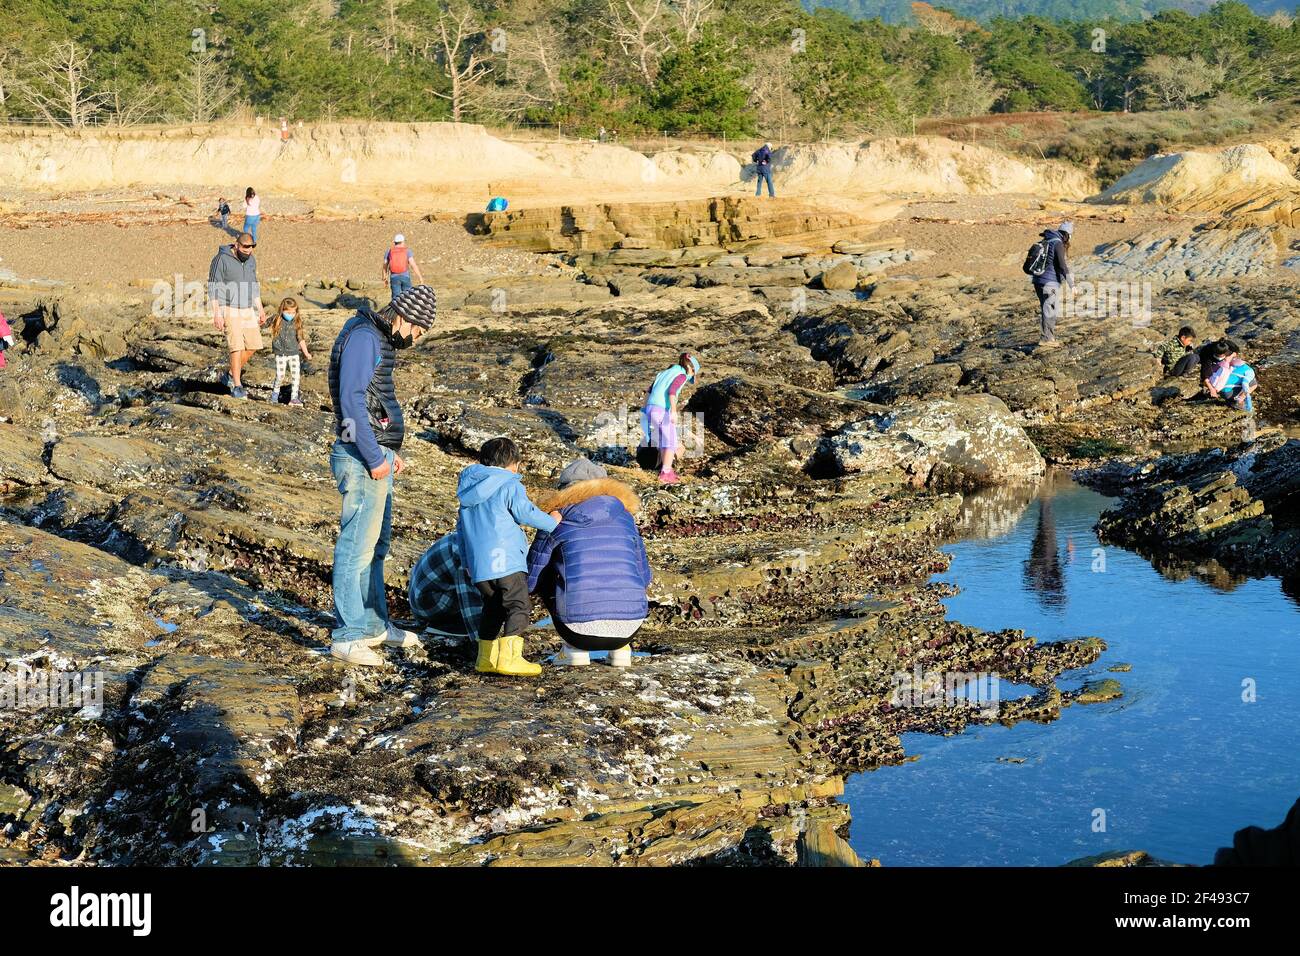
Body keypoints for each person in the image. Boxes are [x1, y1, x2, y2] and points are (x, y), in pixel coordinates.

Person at [327, 284, 438, 666]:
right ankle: (347, 635)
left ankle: (373, 625)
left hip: (374, 454)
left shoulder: (376, 337)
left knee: (376, 547)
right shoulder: (364, 337)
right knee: (356, 546)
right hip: (359, 458)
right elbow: (351, 400)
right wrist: (375, 456)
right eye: (418, 331)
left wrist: (390, 452)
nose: (416, 339)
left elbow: (373, 404)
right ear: (405, 318)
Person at [527, 458, 651, 668]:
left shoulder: (557, 519)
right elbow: (645, 577)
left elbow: (530, 579)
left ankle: (572, 650)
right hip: (631, 627)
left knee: (546, 573)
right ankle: (621, 651)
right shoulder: (626, 518)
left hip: (577, 631)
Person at [455, 437, 561, 678]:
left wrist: (468, 562)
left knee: (493, 608)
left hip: (479, 566)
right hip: (507, 561)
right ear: (514, 464)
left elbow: (461, 532)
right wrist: (551, 522)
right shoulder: (509, 483)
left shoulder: (467, 491)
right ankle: (509, 658)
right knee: (519, 605)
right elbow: (525, 512)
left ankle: (486, 658)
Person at [207, 231, 267, 399]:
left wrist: (260, 309)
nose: (248, 251)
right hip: (228, 306)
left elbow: (254, 285)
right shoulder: (221, 259)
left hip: (247, 307)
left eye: (251, 248)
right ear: (237, 245)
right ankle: (237, 385)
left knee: (254, 345)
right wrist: (217, 313)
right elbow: (213, 286)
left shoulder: (251, 260)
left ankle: (230, 373)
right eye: (245, 248)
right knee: (237, 346)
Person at [408, 533, 483, 639]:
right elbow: (470, 599)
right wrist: (482, 640)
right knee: (479, 595)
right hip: (427, 603)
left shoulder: (473, 537)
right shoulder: (469, 555)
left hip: (424, 593)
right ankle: (447, 626)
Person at [641, 352, 701, 485]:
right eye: (692, 374)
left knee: (664, 440)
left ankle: (665, 469)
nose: (690, 377)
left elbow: (649, 390)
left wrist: (645, 409)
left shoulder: (662, 374)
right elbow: (672, 392)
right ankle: (666, 473)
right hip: (661, 409)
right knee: (671, 441)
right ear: (690, 369)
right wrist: (673, 411)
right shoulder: (681, 375)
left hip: (651, 408)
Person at [1028, 221, 1074, 349]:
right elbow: (1062, 265)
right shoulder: (1058, 243)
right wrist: (1072, 284)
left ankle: (1048, 336)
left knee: (1046, 309)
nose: (1070, 238)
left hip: (1038, 280)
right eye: (1070, 235)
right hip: (1050, 282)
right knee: (1051, 310)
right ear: (1066, 234)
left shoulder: (1047, 240)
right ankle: (1047, 338)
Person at [269, 297, 312, 407]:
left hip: (293, 353)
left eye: (293, 312)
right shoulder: (276, 319)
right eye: (288, 312)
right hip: (280, 353)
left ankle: (294, 398)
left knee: (296, 376)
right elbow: (262, 323)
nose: (291, 314)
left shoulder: (297, 322)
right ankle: (274, 395)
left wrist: (306, 353)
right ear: (282, 310)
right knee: (280, 375)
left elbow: (301, 339)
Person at [1207, 340, 1257, 411]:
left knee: (1236, 379)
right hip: (1228, 392)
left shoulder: (1225, 363)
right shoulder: (1248, 370)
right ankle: (1239, 401)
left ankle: (1231, 401)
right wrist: (1245, 396)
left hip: (1221, 391)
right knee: (1253, 383)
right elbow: (1245, 384)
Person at [383, 234, 424, 301]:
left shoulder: (389, 251)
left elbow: (384, 266)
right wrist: (420, 277)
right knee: (408, 297)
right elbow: (413, 265)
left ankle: (396, 311)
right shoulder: (407, 251)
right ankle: (407, 310)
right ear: (403, 242)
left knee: (396, 299)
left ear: (395, 242)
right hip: (405, 277)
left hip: (394, 278)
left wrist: (384, 278)